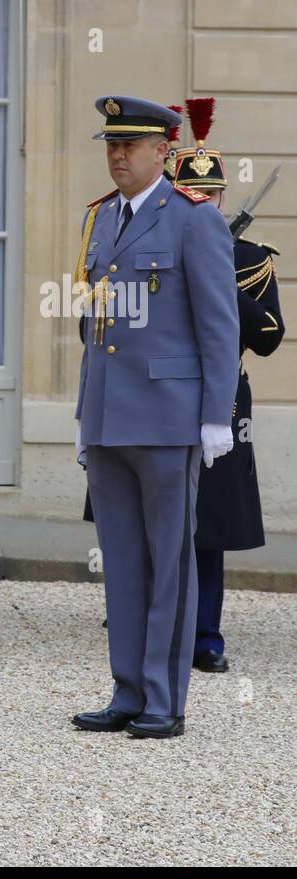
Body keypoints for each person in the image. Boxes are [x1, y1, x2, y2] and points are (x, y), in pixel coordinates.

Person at [71, 95, 239, 740]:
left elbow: (218, 325)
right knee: (122, 559)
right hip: (112, 417)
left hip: (169, 416)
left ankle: (165, 697)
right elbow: (96, 329)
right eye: (111, 145)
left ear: (162, 151)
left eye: (130, 145)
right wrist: (87, 412)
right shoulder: (101, 218)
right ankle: (127, 690)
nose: (117, 155)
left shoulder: (194, 221)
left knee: (170, 559)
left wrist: (214, 415)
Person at [167, 98, 286, 673]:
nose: (203, 204)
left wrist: (218, 274)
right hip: (164, 393)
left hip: (221, 397)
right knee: (156, 517)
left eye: (211, 196)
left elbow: (266, 337)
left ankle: (205, 633)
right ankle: (157, 627)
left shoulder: (251, 260)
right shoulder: (154, 246)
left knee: (207, 524)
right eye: (192, 196)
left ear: (221, 198)